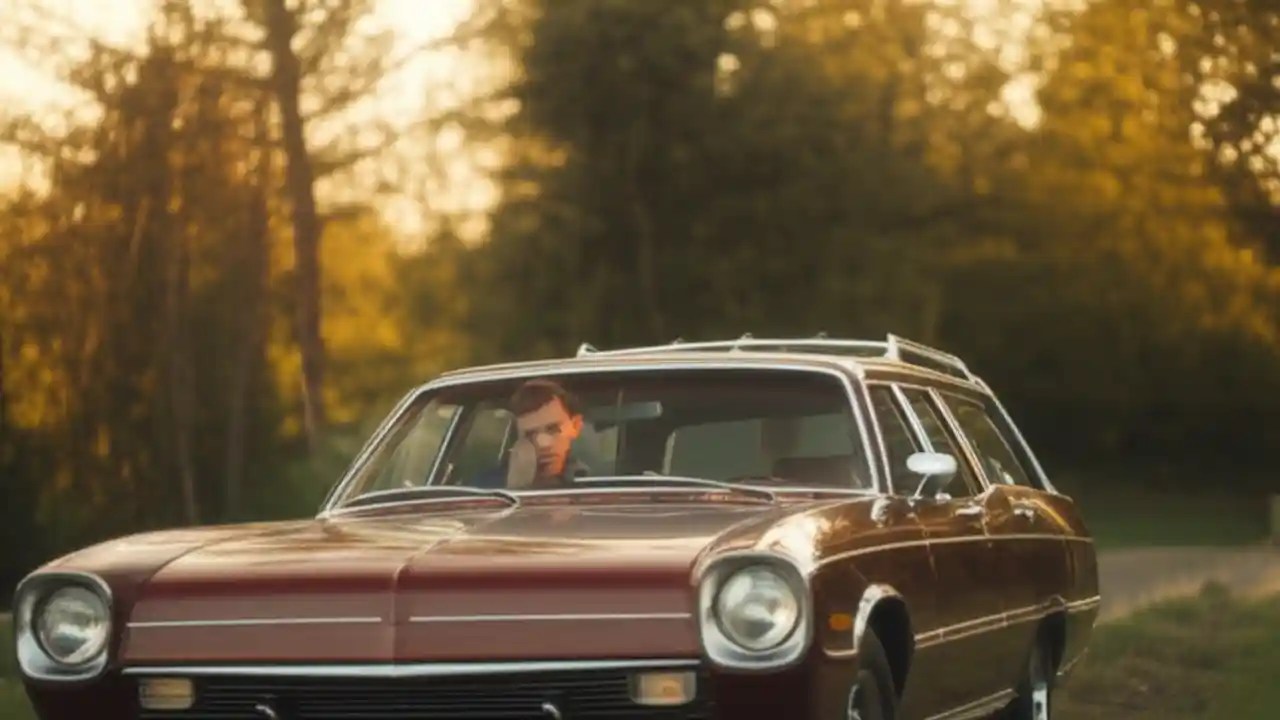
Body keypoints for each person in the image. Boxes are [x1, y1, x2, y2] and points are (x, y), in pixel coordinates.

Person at [474, 378, 590, 490]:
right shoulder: (484, 488)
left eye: (553, 429)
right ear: (518, 439)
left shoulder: (596, 482)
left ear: (576, 425)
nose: (543, 444)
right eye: (530, 435)